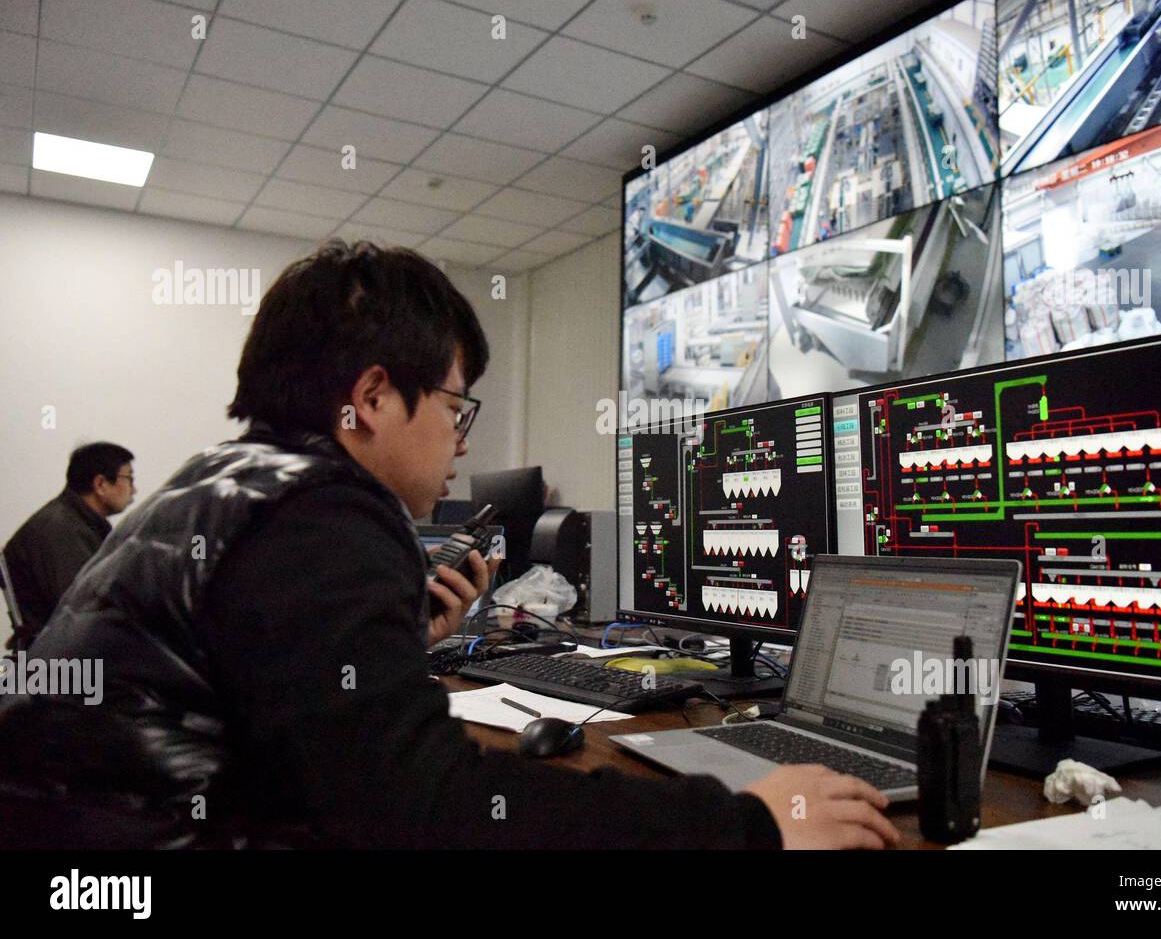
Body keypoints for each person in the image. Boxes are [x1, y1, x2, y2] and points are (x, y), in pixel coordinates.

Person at [0, 241, 900, 850]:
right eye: (455, 406)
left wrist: (384, 654)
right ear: (376, 396)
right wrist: (750, 823)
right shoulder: (325, 513)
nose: (462, 440)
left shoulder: (222, 479)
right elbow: (425, 812)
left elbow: (287, 715)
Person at [2, 442, 135, 648]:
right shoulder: (59, 529)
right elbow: (82, 611)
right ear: (100, 484)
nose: (134, 489)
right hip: (64, 667)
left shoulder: (79, 524)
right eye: (129, 478)